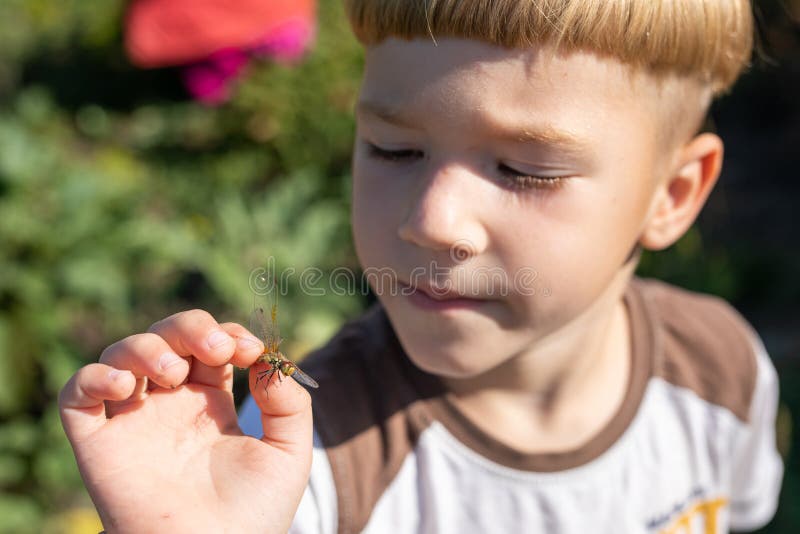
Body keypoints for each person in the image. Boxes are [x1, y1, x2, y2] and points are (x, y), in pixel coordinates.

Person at [59, 0, 784, 532]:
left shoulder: (718, 373)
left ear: (673, 194)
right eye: (394, 150)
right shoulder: (299, 450)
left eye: (524, 168)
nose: (430, 222)